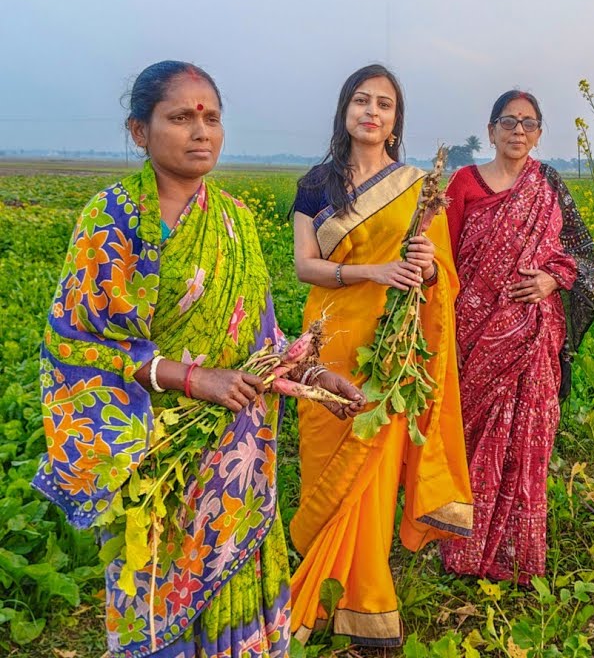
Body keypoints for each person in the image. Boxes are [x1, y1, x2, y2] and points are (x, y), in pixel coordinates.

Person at [32, 60, 363, 657]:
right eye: (180, 117)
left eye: (211, 117)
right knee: (160, 592)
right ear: (140, 131)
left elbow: (262, 340)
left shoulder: (234, 220)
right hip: (159, 452)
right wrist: (188, 376)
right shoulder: (112, 219)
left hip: (238, 457)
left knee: (239, 586)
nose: (200, 131)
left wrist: (313, 375)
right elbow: (75, 341)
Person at [288, 64, 473, 648]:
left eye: (385, 105)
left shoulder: (419, 188)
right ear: (345, 112)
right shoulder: (317, 183)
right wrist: (373, 270)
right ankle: (319, 590)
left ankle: (367, 598)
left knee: (373, 471)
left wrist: (424, 270)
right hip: (329, 340)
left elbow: (441, 275)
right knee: (325, 462)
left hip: (393, 349)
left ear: (395, 121)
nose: (372, 111)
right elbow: (304, 266)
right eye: (362, 101)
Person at [439, 89, 594, 584]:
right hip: (473, 329)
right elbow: (443, 257)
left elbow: (580, 254)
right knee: (470, 433)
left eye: (529, 123)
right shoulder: (465, 183)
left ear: (539, 133)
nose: (518, 131)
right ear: (491, 131)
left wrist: (552, 279)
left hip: (533, 334)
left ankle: (516, 553)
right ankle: (461, 546)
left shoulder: (547, 186)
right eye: (508, 122)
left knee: (529, 436)